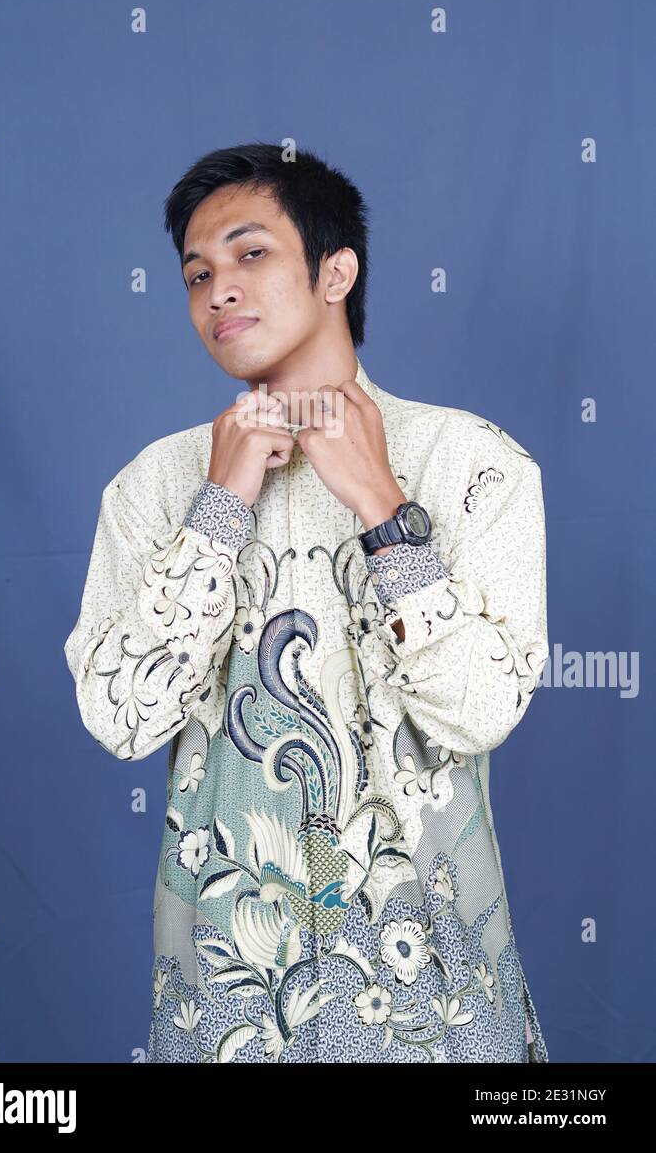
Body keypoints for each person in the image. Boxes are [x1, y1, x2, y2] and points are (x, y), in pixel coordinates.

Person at [64, 142, 550, 1064]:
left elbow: (482, 711)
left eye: (250, 256)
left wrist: (382, 509)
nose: (219, 292)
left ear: (337, 271)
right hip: (232, 1005)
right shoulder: (155, 487)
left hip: (434, 1004)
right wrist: (218, 511)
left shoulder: (471, 464)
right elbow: (119, 718)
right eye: (196, 273)